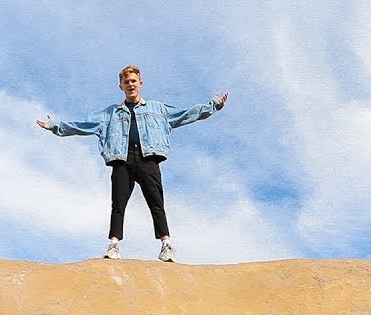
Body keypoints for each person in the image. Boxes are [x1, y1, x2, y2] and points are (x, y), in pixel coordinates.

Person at [36, 65, 228, 262]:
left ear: (140, 84)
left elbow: (187, 114)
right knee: (118, 205)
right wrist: (56, 126)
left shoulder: (158, 109)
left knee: (156, 202)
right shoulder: (109, 114)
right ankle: (114, 245)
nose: (130, 85)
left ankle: (166, 245)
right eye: (126, 82)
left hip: (148, 159)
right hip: (122, 160)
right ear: (121, 86)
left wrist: (213, 105)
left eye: (133, 81)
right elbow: (83, 125)